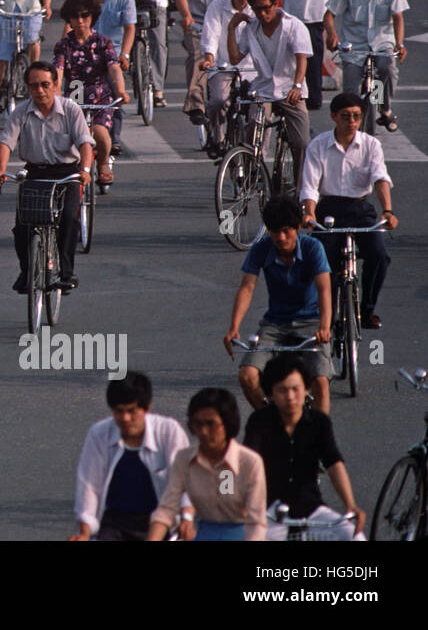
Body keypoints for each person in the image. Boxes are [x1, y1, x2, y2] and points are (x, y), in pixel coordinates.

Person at [224, 196, 333, 415]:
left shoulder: (313, 248)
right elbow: (247, 287)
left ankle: (320, 437)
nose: (281, 238)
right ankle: (271, 419)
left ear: (298, 226)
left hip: (311, 322)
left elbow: (324, 289)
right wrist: (234, 327)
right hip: (275, 324)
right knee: (247, 375)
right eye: (274, 232)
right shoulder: (261, 249)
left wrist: (324, 326)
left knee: (320, 382)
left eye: (286, 231)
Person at [0, 61, 94, 293]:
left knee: (69, 219)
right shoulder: (21, 111)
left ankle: (67, 273)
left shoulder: (71, 109)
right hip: (35, 174)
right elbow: (6, 142)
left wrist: (86, 171)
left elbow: (85, 144)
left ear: (55, 85)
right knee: (22, 228)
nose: (39, 91)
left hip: (68, 174)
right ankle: (27, 272)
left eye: (45, 85)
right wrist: (0, 169)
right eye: (34, 86)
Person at [243, 355, 365, 541]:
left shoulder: (319, 422)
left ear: (306, 389)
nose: (290, 396)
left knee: (352, 535)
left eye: (295, 389)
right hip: (269, 511)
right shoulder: (259, 421)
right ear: (270, 394)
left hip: (311, 508)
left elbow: (333, 464)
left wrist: (350, 504)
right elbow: (249, 463)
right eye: (282, 390)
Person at [300, 92, 395, 330]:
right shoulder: (318, 145)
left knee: (379, 255)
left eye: (356, 116)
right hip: (329, 208)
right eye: (345, 116)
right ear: (334, 116)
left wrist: (388, 211)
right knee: (323, 261)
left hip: (360, 209)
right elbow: (310, 186)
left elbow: (380, 179)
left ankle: (367, 309)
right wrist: (309, 214)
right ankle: (327, 313)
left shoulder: (371, 145)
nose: (351, 122)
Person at [69, 372, 189, 541]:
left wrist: (186, 517)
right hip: (114, 523)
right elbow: (89, 484)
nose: (125, 418)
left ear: (146, 408)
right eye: (119, 411)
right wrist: (84, 532)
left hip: (158, 521)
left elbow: (183, 480)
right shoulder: (99, 434)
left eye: (132, 411)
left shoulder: (168, 431)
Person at [147, 389, 266, 541]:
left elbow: (257, 522)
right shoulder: (184, 459)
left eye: (211, 424)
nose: (203, 431)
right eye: (198, 423)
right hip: (204, 533)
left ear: (227, 423)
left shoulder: (249, 462)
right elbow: (166, 509)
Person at [324, 0, 408, 132]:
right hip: (355, 47)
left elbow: (398, 18)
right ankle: (352, 132)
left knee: (386, 68)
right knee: (350, 92)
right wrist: (332, 33)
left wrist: (400, 44)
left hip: (382, 43)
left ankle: (385, 108)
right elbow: (329, 14)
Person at [227, 0, 312, 170]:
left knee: (302, 143)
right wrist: (231, 27)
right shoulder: (250, 28)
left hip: (290, 90)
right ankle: (253, 173)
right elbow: (235, 58)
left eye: (267, 8)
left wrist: (297, 86)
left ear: (276, 4)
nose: (263, 14)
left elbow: (301, 58)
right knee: (254, 125)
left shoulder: (293, 25)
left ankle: (300, 193)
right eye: (257, 9)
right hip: (264, 89)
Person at [53, 0, 128, 185]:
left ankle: (103, 163)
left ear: (92, 17)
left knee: (101, 134)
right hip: (73, 101)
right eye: (75, 17)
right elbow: (58, 71)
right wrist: (54, 93)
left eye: (85, 16)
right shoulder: (63, 45)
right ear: (68, 19)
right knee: (70, 139)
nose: (80, 21)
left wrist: (120, 91)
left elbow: (113, 67)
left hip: (100, 99)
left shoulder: (104, 43)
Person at [172, 0, 235, 126]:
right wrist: (186, 17)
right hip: (197, 23)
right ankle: (196, 105)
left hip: (225, 23)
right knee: (197, 55)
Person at [199, 0, 256, 153]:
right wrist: (209, 57)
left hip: (252, 69)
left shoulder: (257, 7)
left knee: (258, 109)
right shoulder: (217, 6)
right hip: (223, 66)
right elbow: (211, 35)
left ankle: (255, 151)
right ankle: (217, 136)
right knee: (218, 100)